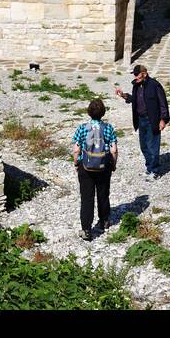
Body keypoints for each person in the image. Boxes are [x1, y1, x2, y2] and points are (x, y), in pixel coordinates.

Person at [71, 98, 118, 241]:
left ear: (89, 112)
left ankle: (86, 230)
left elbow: (76, 149)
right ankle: (104, 221)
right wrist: (113, 164)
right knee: (103, 194)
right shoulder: (108, 128)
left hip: (86, 167)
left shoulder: (82, 128)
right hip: (104, 167)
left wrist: (76, 163)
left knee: (87, 198)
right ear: (103, 113)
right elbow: (114, 150)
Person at [114, 64, 169, 180]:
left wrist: (163, 119)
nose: (135, 77)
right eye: (134, 75)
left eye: (137, 75)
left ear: (144, 74)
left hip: (152, 120)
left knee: (152, 145)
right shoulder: (136, 85)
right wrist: (123, 95)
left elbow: (163, 103)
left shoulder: (155, 85)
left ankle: (155, 171)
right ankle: (149, 168)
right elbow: (134, 99)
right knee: (143, 146)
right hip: (140, 119)